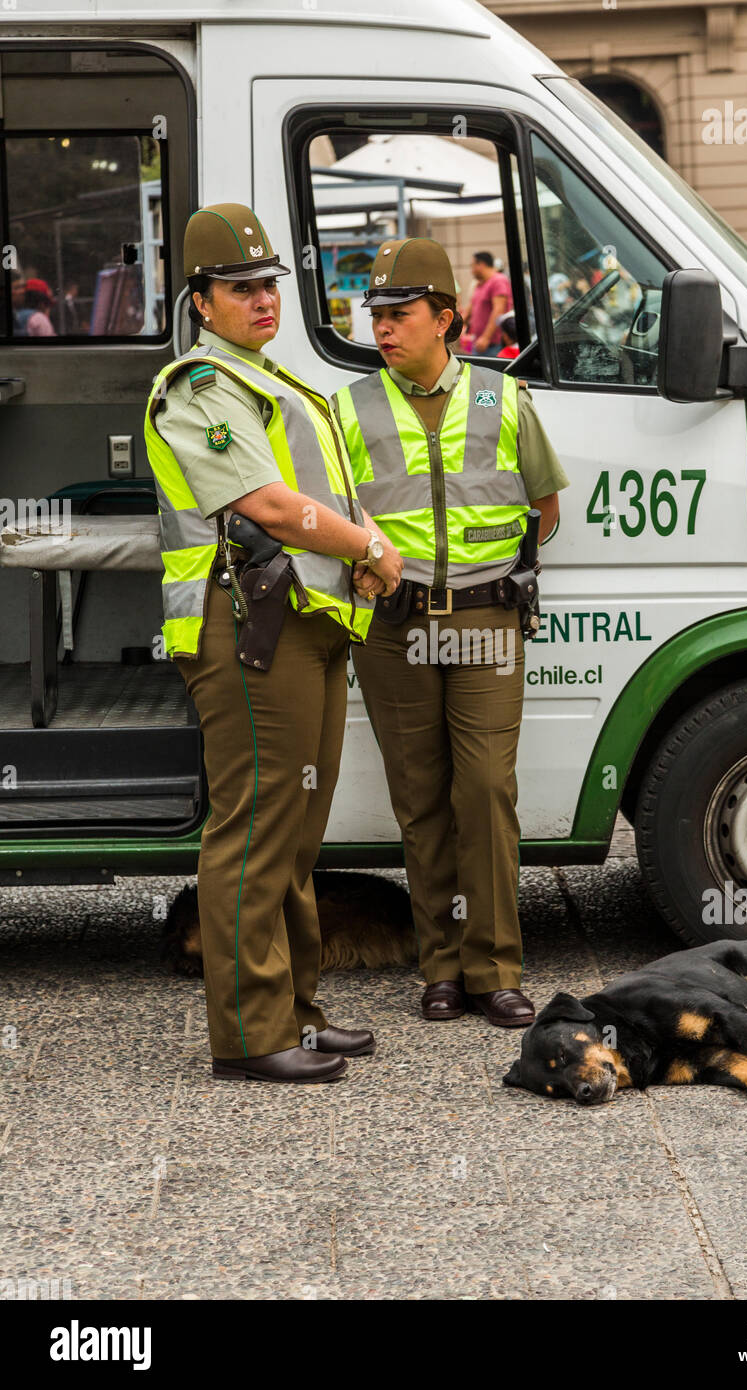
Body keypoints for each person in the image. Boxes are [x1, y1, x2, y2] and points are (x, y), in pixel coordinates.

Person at [144, 203, 402, 1083]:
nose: (261, 300)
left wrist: (361, 548)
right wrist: (367, 546)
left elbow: (320, 492)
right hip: (247, 627)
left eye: (268, 286)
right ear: (201, 301)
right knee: (254, 829)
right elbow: (269, 507)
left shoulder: (271, 381)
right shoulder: (200, 388)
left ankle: (295, 1006)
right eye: (240, 289)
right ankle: (252, 1035)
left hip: (304, 623)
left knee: (294, 828)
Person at [332, 236, 569, 1028]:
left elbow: (545, 507)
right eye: (377, 316)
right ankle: (440, 968)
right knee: (421, 798)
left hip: (485, 620)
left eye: (399, 315)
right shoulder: (348, 409)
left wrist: (482, 566)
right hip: (393, 630)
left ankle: (494, 968)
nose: (383, 329)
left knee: (486, 791)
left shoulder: (505, 400)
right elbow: (328, 516)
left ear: (444, 317)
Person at [462, 250, 511, 356]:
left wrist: (486, 337)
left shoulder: (498, 280)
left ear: (481, 265)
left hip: (492, 344)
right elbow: (471, 307)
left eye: (473, 266)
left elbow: (499, 310)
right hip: (479, 342)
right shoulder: (480, 283)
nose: (471, 270)